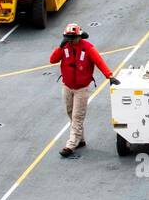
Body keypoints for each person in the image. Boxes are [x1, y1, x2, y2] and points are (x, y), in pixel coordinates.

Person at [50, 23, 120, 158]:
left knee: (77, 116)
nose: (71, 40)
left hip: (81, 89)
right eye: (68, 38)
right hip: (67, 86)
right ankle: (80, 139)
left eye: (73, 38)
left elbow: (99, 62)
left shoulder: (88, 48)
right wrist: (60, 47)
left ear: (79, 36)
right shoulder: (64, 47)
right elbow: (52, 60)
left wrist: (109, 76)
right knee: (70, 113)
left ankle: (70, 145)